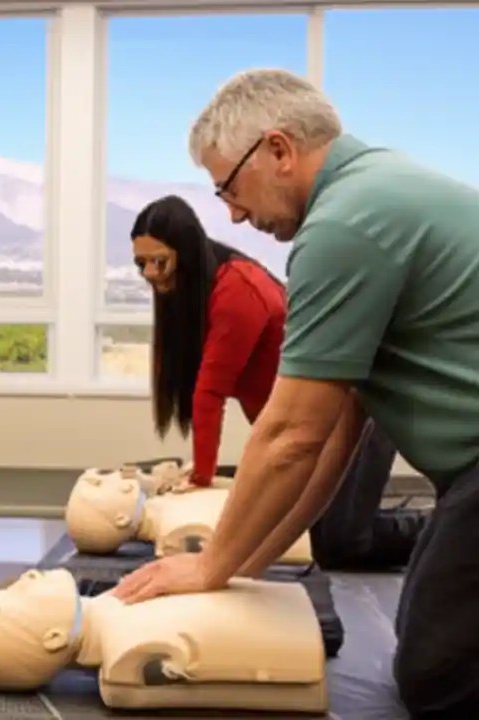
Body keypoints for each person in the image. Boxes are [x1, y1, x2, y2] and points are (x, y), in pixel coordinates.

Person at [113, 68, 479, 717]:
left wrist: (211, 564)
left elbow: (289, 434)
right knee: (425, 644)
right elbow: (333, 432)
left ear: (278, 150)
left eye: (228, 186)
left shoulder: (346, 225)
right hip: (465, 476)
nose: (230, 213)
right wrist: (243, 561)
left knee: (441, 676)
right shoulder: (374, 191)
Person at [129, 194, 426, 570]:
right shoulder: (192, 295)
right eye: (141, 264)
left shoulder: (236, 289)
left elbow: (211, 391)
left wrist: (203, 476)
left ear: (186, 252)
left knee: (341, 543)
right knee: (330, 534)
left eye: (159, 261)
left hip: (354, 418)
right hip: (312, 426)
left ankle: (449, 531)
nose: (151, 274)